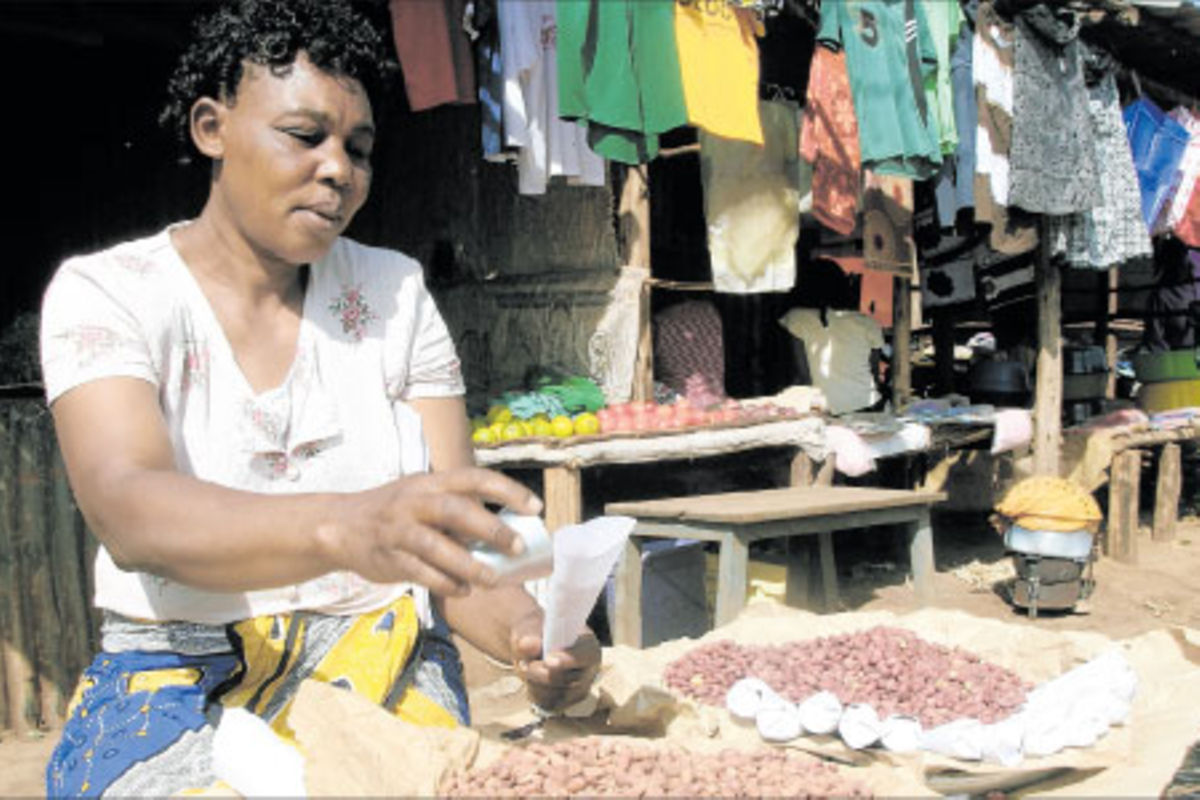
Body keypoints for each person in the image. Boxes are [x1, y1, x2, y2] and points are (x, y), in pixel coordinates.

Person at [39, 1, 599, 794]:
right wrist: (346, 526)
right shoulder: (110, 293)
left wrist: (529, 632)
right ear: (211, 128)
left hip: (386, 660)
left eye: (358, 149)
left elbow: (454, 545)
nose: (339, 169)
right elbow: (128, 510)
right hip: (179, 675)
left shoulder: (394, 293)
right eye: (304, 136)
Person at [778, 258, 887, 415]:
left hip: (825, 410)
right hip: (867, 404)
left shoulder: (795, 318)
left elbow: (802, 376)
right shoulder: (867, 322)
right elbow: (874, 373)